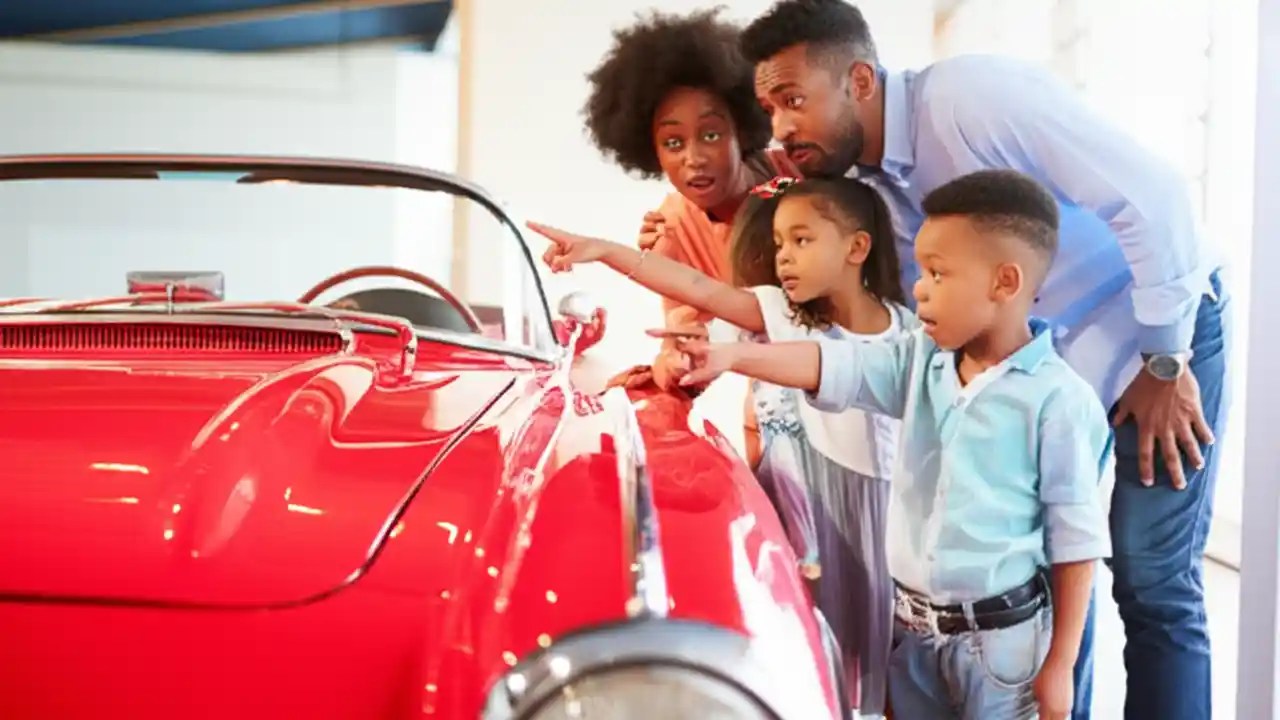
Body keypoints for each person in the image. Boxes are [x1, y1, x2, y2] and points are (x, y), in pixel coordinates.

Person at [737, 2, 1230, 717]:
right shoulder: (864, 197)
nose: (781, 126)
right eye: (768, 108)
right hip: (1051, 365)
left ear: (862, 82)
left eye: (793, 100)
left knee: (1150, 574)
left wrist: (1164, 360)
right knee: (1044, 570)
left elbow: (1153, 199)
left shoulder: (972, 100)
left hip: (1161, 321)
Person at [673, 169, 1112, 720]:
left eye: (938, 273)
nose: (920, 287)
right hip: (913, 635)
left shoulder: (1058, 401)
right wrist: (734, 357)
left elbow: (1076, 541)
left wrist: (1061, 663)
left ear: (1004, 282)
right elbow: (834, 363)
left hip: (1001, 649)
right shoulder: (919, 360)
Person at [528, 175, 909, 719]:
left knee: (879, 673)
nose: (784, 259)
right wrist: (609, 252)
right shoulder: (779, 311)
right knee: (814, 661)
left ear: (857, 247)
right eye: (779, 245)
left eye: (801, 241)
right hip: (806, 516)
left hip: (885, 524)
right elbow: (700, 290)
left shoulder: (909, 333)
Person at [581, 7, 799, 457]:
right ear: (651, 151)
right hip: (771, 418)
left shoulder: (798, 178)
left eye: (711, 135)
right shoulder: (672, 228)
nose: (693, 158)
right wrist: (666, 371)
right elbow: (691, 354)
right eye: (673, 143)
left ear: (742, 128)